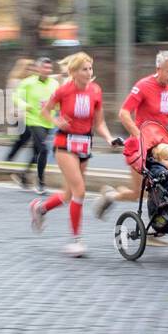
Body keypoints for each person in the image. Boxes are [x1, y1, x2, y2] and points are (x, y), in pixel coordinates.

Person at [28, 53, 121, 256]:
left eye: (90, 69)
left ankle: (40, 209)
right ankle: (76, 241)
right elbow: (45, 111)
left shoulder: (96, 90)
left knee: (69, 195)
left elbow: (100, 122)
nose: (89, 73)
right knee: (80, 191)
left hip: (85, 144)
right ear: (73, 72)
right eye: (84, 69)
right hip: (65, 144)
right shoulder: (63, 91)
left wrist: (108, 138)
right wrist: (56, 121)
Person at [95, 50, 168, 225]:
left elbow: (166, 111)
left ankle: (156, 227)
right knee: (137, 193)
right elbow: (124, 112)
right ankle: (110, 196)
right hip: (142, 145)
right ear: (159, 68)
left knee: (161, 186)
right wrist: (137, 134)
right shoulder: (143, 85)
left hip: (161, 144)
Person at [6, 57, 58, 194]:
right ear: (39, 68)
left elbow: (59, 100)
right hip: (33, 120)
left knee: (37, 153)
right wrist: (24, 105)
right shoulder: (27, 83)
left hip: (48, 121)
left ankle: (24, 176)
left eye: (50, 68)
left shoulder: (54, 83)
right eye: (45, 68)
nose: (48, 70)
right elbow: (16, 97)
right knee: (44, 149)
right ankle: (41, 182)